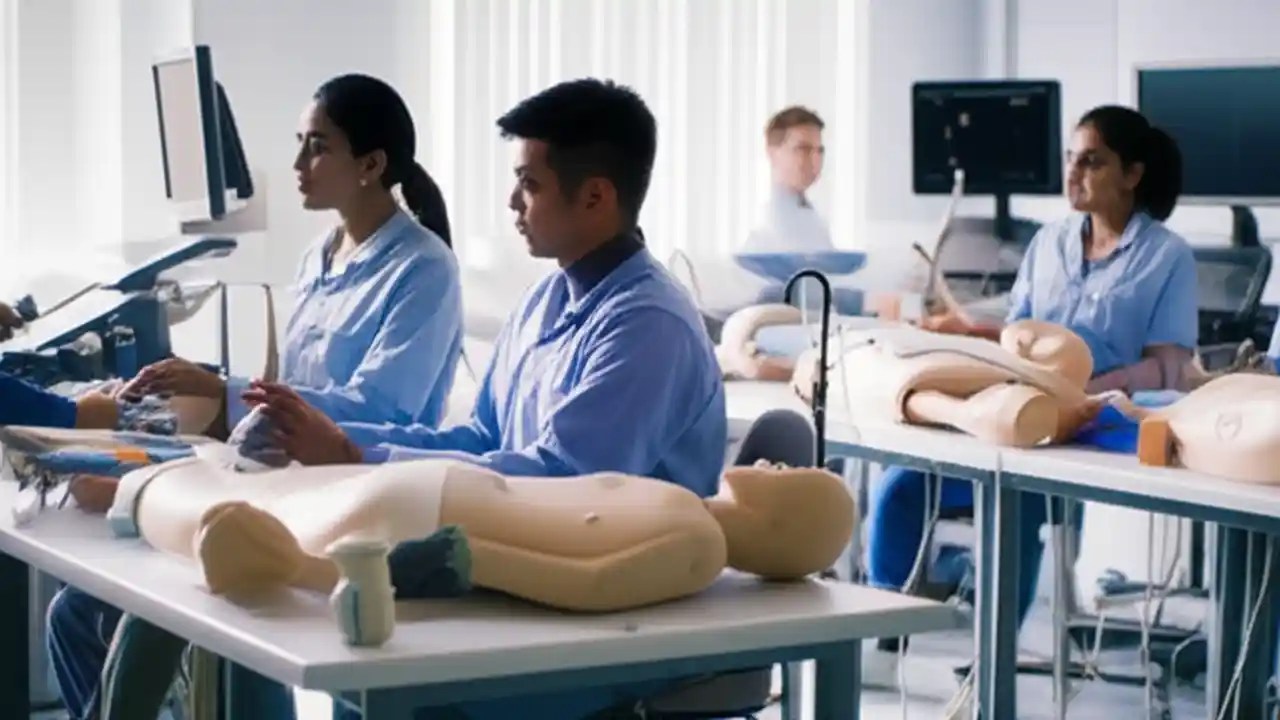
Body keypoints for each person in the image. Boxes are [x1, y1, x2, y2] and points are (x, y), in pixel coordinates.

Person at [236, 78, 726, 720]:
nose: (511, 201)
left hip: (621, 618)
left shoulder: (647, 325)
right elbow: (481, 439)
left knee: (403, 689)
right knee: (342, 652)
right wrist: (352, 451)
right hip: (533, 588)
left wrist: (362, 457)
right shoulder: (546, 299)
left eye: (529, 184)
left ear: (596, 197)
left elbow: (567, 486)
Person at [47, 73, 463, 720]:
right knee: (76, 611)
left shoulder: (422, 269)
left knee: (161, 615)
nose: (297, 163)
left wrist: (227, 394)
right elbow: (291, 384)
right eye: (299, 142)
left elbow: (384, 412)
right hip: (274, 479)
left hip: (344, 487)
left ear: (371, 165)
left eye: (317, 146)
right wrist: (206, 386)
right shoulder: (317, 257)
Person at [863, 105, 1199, 692]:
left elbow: (1167, 362)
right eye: (1072, 158)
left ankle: (992, 672)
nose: (1074, 172)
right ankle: (887, 637)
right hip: (1018, 404)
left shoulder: (1166, 255)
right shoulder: (1050, 242)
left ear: (1132, 173)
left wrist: (1086, 392)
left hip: (1097, 421)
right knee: (899, 484)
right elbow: (1017, 333)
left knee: (1013, 502)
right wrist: (966, 340)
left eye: (1092, 161)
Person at [741, 105, 832, 253]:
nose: (816, 159)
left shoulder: (815, 221)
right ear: (772, 153)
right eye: (803, 149)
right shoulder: (758, 221)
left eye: (819, 151)